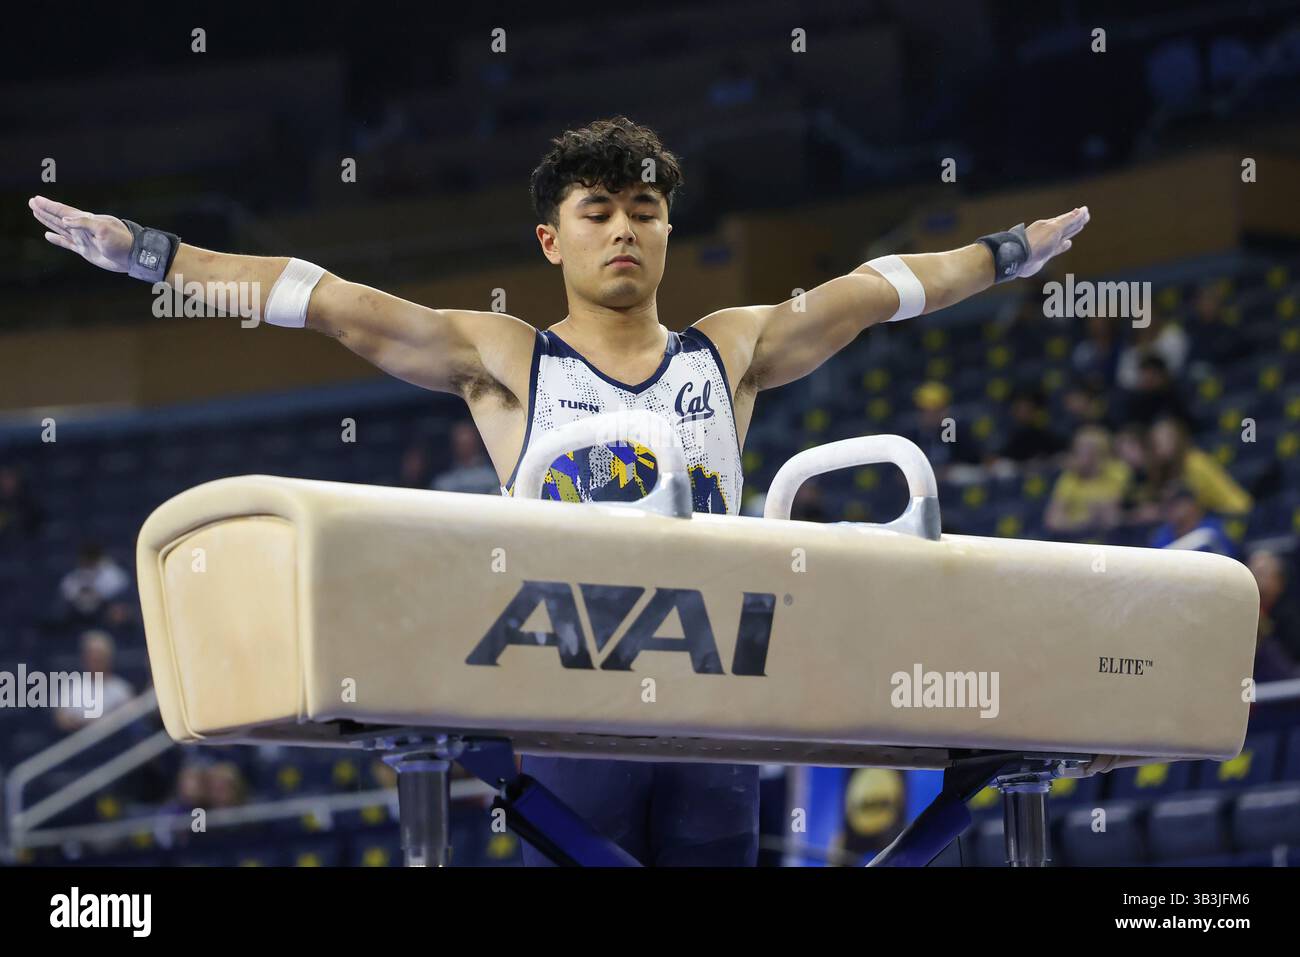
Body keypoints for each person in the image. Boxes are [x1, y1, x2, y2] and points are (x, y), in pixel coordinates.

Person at [29, 115, 1090, 866]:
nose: (623, 227)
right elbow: (334, 305)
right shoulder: (505, 358)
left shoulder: (730, 351)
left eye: (644, 208)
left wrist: (1002, 254)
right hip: (568, 700)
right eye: (598, 210)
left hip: (720, 703)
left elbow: (873, 293)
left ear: (668, 231)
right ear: (554, 239)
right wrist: (155, 258)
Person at [1044, 425, 1131, 533]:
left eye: (1082, 451)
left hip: (1110, 537)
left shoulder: (1118, 472)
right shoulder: (1070, 477)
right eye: (1076, 451)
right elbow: (1052, 520)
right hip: (1074, 537)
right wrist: (1081, 524)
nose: (1074, 457)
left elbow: (1112, 517)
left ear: (1097, 454)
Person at [431, 421, 501, 494]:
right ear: (453, 445)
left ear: (478, 443)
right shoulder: (443, 482)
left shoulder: (495, 478)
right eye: (460, 444)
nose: (465, 448)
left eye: (468, 444)